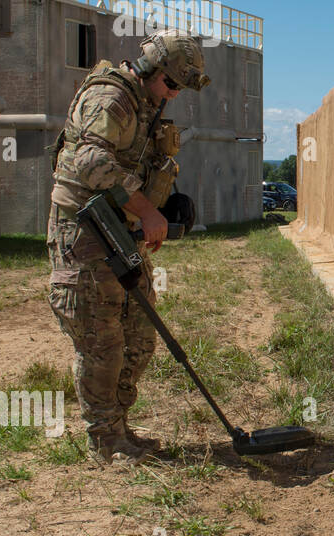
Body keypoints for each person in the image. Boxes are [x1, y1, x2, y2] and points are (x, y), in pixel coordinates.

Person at [46, 29, 211, 465]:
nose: (174, 94)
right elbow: (90, 161)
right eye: (171, 84)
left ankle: (119, 426)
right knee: (102, 339)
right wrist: (146, 209)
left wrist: (167, 204)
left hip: (118, 230)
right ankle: (104, 439)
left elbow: (135, 166)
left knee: (139, 332)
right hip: (84, 232)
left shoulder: (146, 104)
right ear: (151, 68)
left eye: (180, 88)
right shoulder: (111, 98)